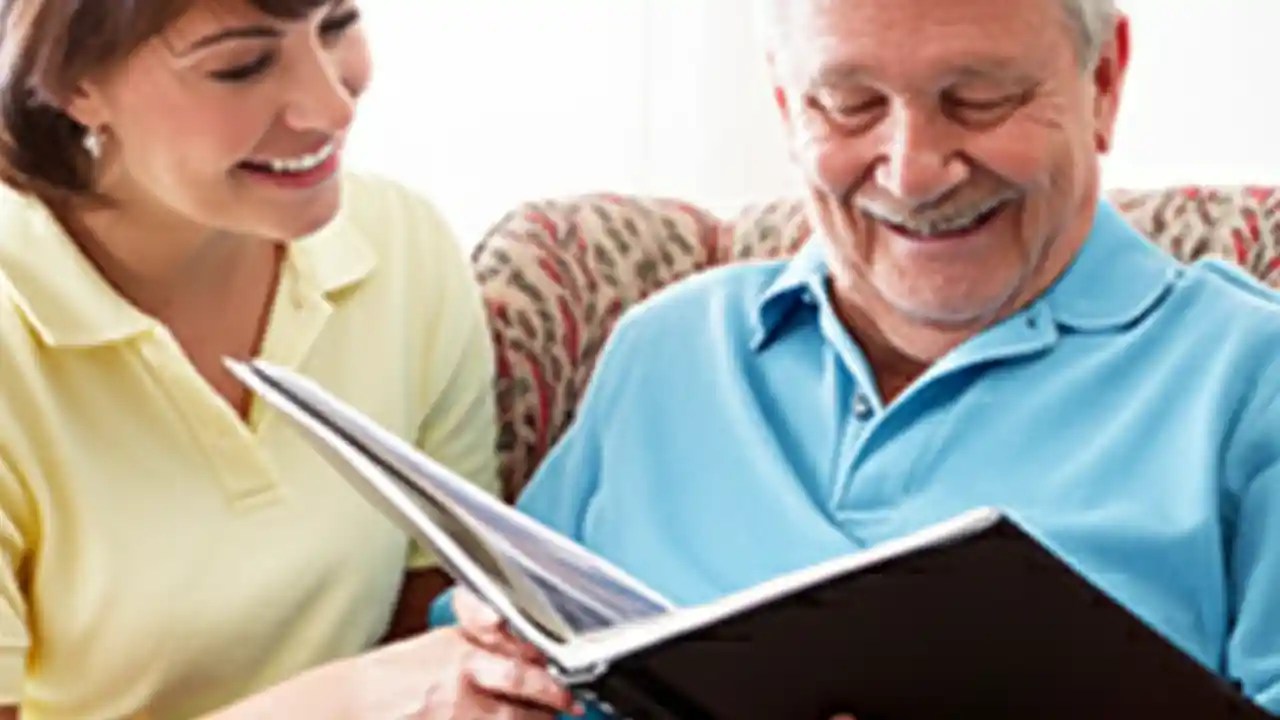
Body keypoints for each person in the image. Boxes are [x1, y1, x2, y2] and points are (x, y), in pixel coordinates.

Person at [436, 0, 1280, 716]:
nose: (912, 173)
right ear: (784, 106)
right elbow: (471, 647)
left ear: (1103, 85)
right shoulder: (666, 349)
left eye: (978, 99)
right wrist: (479, 678)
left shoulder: (1250, 379)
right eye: (848, 104)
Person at [0, 0, 578, 717]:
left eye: (337, 23)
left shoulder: (401, 248)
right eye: (241, 65)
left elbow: (437, 622)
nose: (330, 106)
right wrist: (344, 700)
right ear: (73, 85)